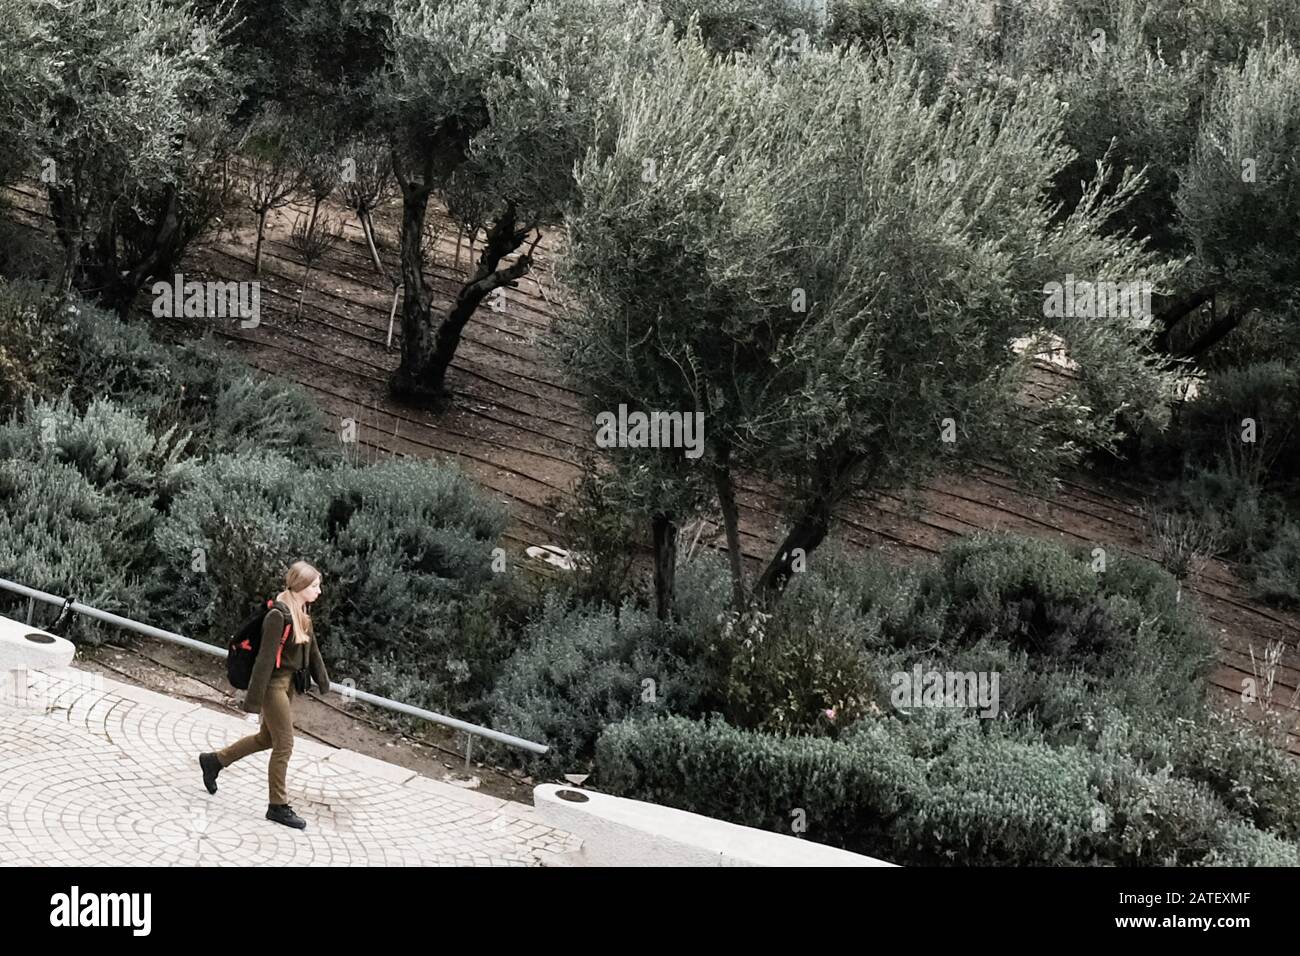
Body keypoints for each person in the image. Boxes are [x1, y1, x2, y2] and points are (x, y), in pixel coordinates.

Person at [198, 561, 331, 829]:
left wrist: (323, 681)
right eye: (315, 586)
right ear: (301, 586)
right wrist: (253, 703)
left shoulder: (302, 612)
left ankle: (214, 761)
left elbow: (312, 648)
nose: (319, 591)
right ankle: (277, 806)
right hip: (272, 686)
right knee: (285, 744)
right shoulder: (277, 616)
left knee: (266, 738)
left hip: (288, 684)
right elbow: (264, 660)